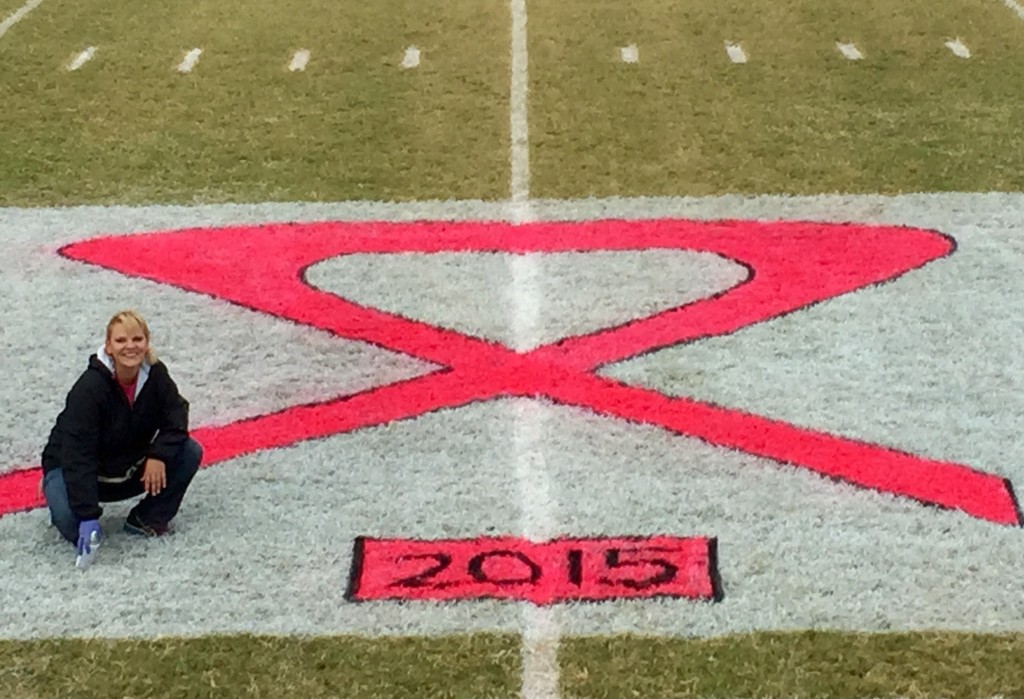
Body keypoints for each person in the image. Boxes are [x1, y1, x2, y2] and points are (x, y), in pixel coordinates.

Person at [41, 310, 202, 568]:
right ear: (108, 346)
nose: (130, 346)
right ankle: (60, 500)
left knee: (188, 451)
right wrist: (87, 514)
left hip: (126, 467)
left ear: (147, 342)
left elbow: (177, 417)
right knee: (71, 523)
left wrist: (158, 455)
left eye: (137, 339)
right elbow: (76, 455)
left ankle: (145, 519)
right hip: (73, 470)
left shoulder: (157, 375)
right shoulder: (89, 389)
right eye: (121, 340)